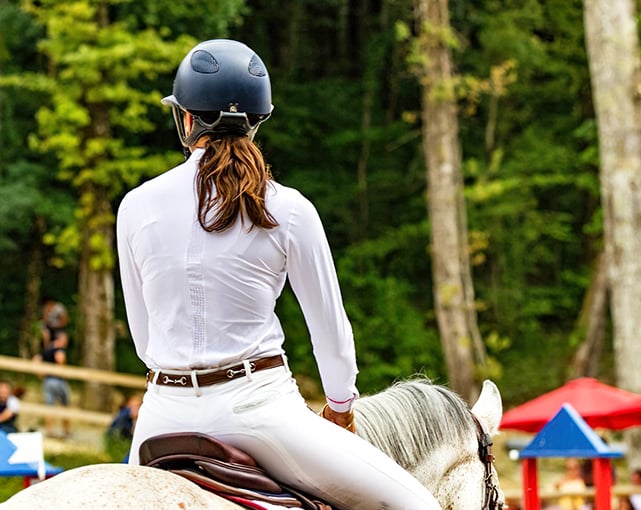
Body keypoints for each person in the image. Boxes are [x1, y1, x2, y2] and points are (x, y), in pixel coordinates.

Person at [116, 39, 442, 509]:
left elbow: (145, 342)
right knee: (419, 504)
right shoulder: (288, 208)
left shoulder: (134, 206)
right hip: (257, 410)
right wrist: (341, 406)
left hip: (162, 418)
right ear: (259, 121)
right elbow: (329, 331)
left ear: (186, 120)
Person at [34, 300, 71, 438]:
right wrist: (63, 373)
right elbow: (60, 359)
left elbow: (36, 360)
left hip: (48, 380)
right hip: (58, 380)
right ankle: (66, 432)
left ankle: (49, 431)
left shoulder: (46, 349)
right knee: (65, 405)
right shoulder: (58, 348)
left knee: (49, 406)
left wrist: (42, 375)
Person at [105, 394, 141, 462]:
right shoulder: (124, 416)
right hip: (119, 444)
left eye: (137, 407)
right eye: (133, 407)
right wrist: (128, 413)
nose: (135, 409)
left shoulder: (139, 421)